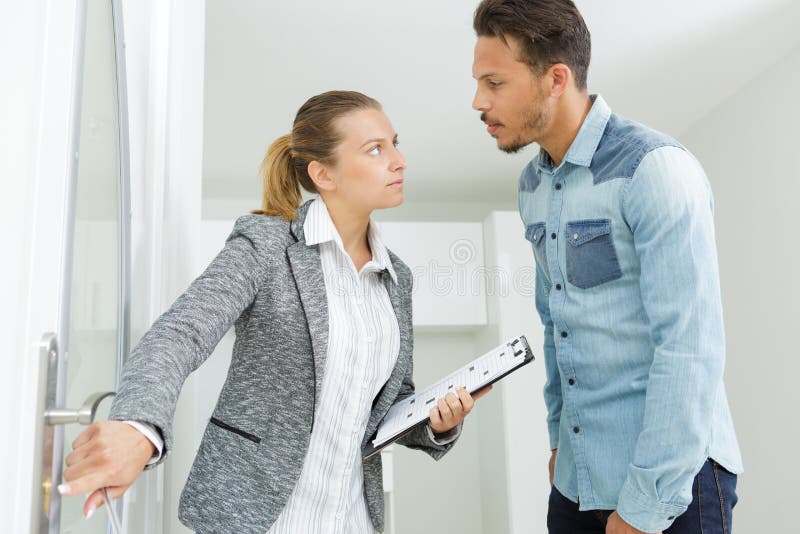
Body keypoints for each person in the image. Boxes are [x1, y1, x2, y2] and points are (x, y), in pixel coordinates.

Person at [58, 90, 488, 533]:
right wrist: (138, 426)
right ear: (323, 174)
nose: (400, 161)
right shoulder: (266, 246)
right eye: (376, 149)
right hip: (260, 519)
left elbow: (389, 404)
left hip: (353, 520)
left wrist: (437, 422)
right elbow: (180, 333)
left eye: (395, 144)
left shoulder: (397, 278)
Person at [470, 2, 742, 533]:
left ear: (556, 79)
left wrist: (644, 507)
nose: (479, 101)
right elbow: (557, 325)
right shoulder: (533, 186)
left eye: (494, 83)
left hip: (672, 486)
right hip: (578, 482)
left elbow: (690, 347)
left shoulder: (654, 169)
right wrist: (558, 440)